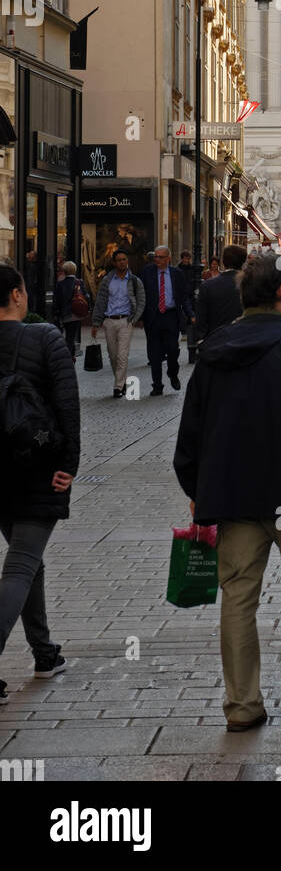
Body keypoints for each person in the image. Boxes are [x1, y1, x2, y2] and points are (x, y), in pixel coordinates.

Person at [173, 253, 281, 732]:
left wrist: (200, 489)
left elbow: (191, 438)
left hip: (235, 500)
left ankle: (242, 704)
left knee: (238, 596)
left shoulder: (213, 352)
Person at [0, 264, 80, 703]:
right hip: (35, 469)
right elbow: (68, 406)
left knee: (27, 560)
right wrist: (70, 464)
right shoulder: (46, 337)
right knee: (21, 564)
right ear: (16, 295)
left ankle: (44, 652)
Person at [90, 250, 146, 398]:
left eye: (124, 259)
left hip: (126, 321)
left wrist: (134, 319)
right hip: (109, 321)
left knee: (122, 355)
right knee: (113, 355)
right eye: (119, 260)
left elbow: (141, 301)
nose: (122, 262)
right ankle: (122, 380)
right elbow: (100, 301)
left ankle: (118, 386)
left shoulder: (134, 281)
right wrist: (96, 323)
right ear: (114, 263)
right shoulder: (107, 280)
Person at [140, 246, 194, 397]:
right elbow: (140, 294)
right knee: (154, 353)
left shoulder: (177, 274)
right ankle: (157, 385)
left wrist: (191, 314)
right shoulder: (147, 272)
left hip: (171, 316)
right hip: (153, 317)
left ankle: (173, 373)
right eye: (156, 257)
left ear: (168, 258)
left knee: (172, 350)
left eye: (161, 257)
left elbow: (183, 297)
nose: (157, 260)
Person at [193, 244, 245, 342]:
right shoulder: (250, 284)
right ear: (243, 262)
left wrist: (202, 340)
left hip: (215, 341)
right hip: (241, 340)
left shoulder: (207, 285)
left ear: (223, 262)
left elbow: (201, 318)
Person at [53, 261, 90, 359]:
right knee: (70, 337)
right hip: (76, 314)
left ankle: (70, 356)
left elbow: (57, 300)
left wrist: (56, 313)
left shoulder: (60, 284)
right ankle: (69, 357)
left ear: (64, 271)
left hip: (65, 314)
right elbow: (86, 296)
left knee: (69, 336)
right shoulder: (79, 282)